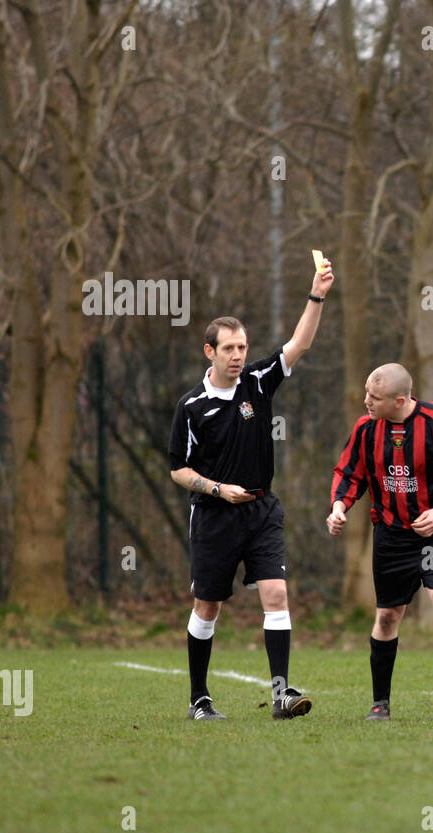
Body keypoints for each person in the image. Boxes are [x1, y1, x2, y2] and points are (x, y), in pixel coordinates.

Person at [167, 259, 334, 720]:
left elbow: (299, 343)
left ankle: (281, 695)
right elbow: (178, 469)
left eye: (242, 346)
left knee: (276, 595)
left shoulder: (258, 383)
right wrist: (219, 490)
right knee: (208, 605)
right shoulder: (191, 407)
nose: (238, 355)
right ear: (210, 352)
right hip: (215, 517)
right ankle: (199, 699)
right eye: (229, 348)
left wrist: (316, 294)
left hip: (263, 512)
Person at [326, 363, 433, 721]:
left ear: (400, 400)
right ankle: (380, 702)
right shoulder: (366, 429)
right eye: (366, 392)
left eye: (374, 397)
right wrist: (339, 508)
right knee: (386, 617)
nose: (366, 401)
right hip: (391, 536)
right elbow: (349, 473)